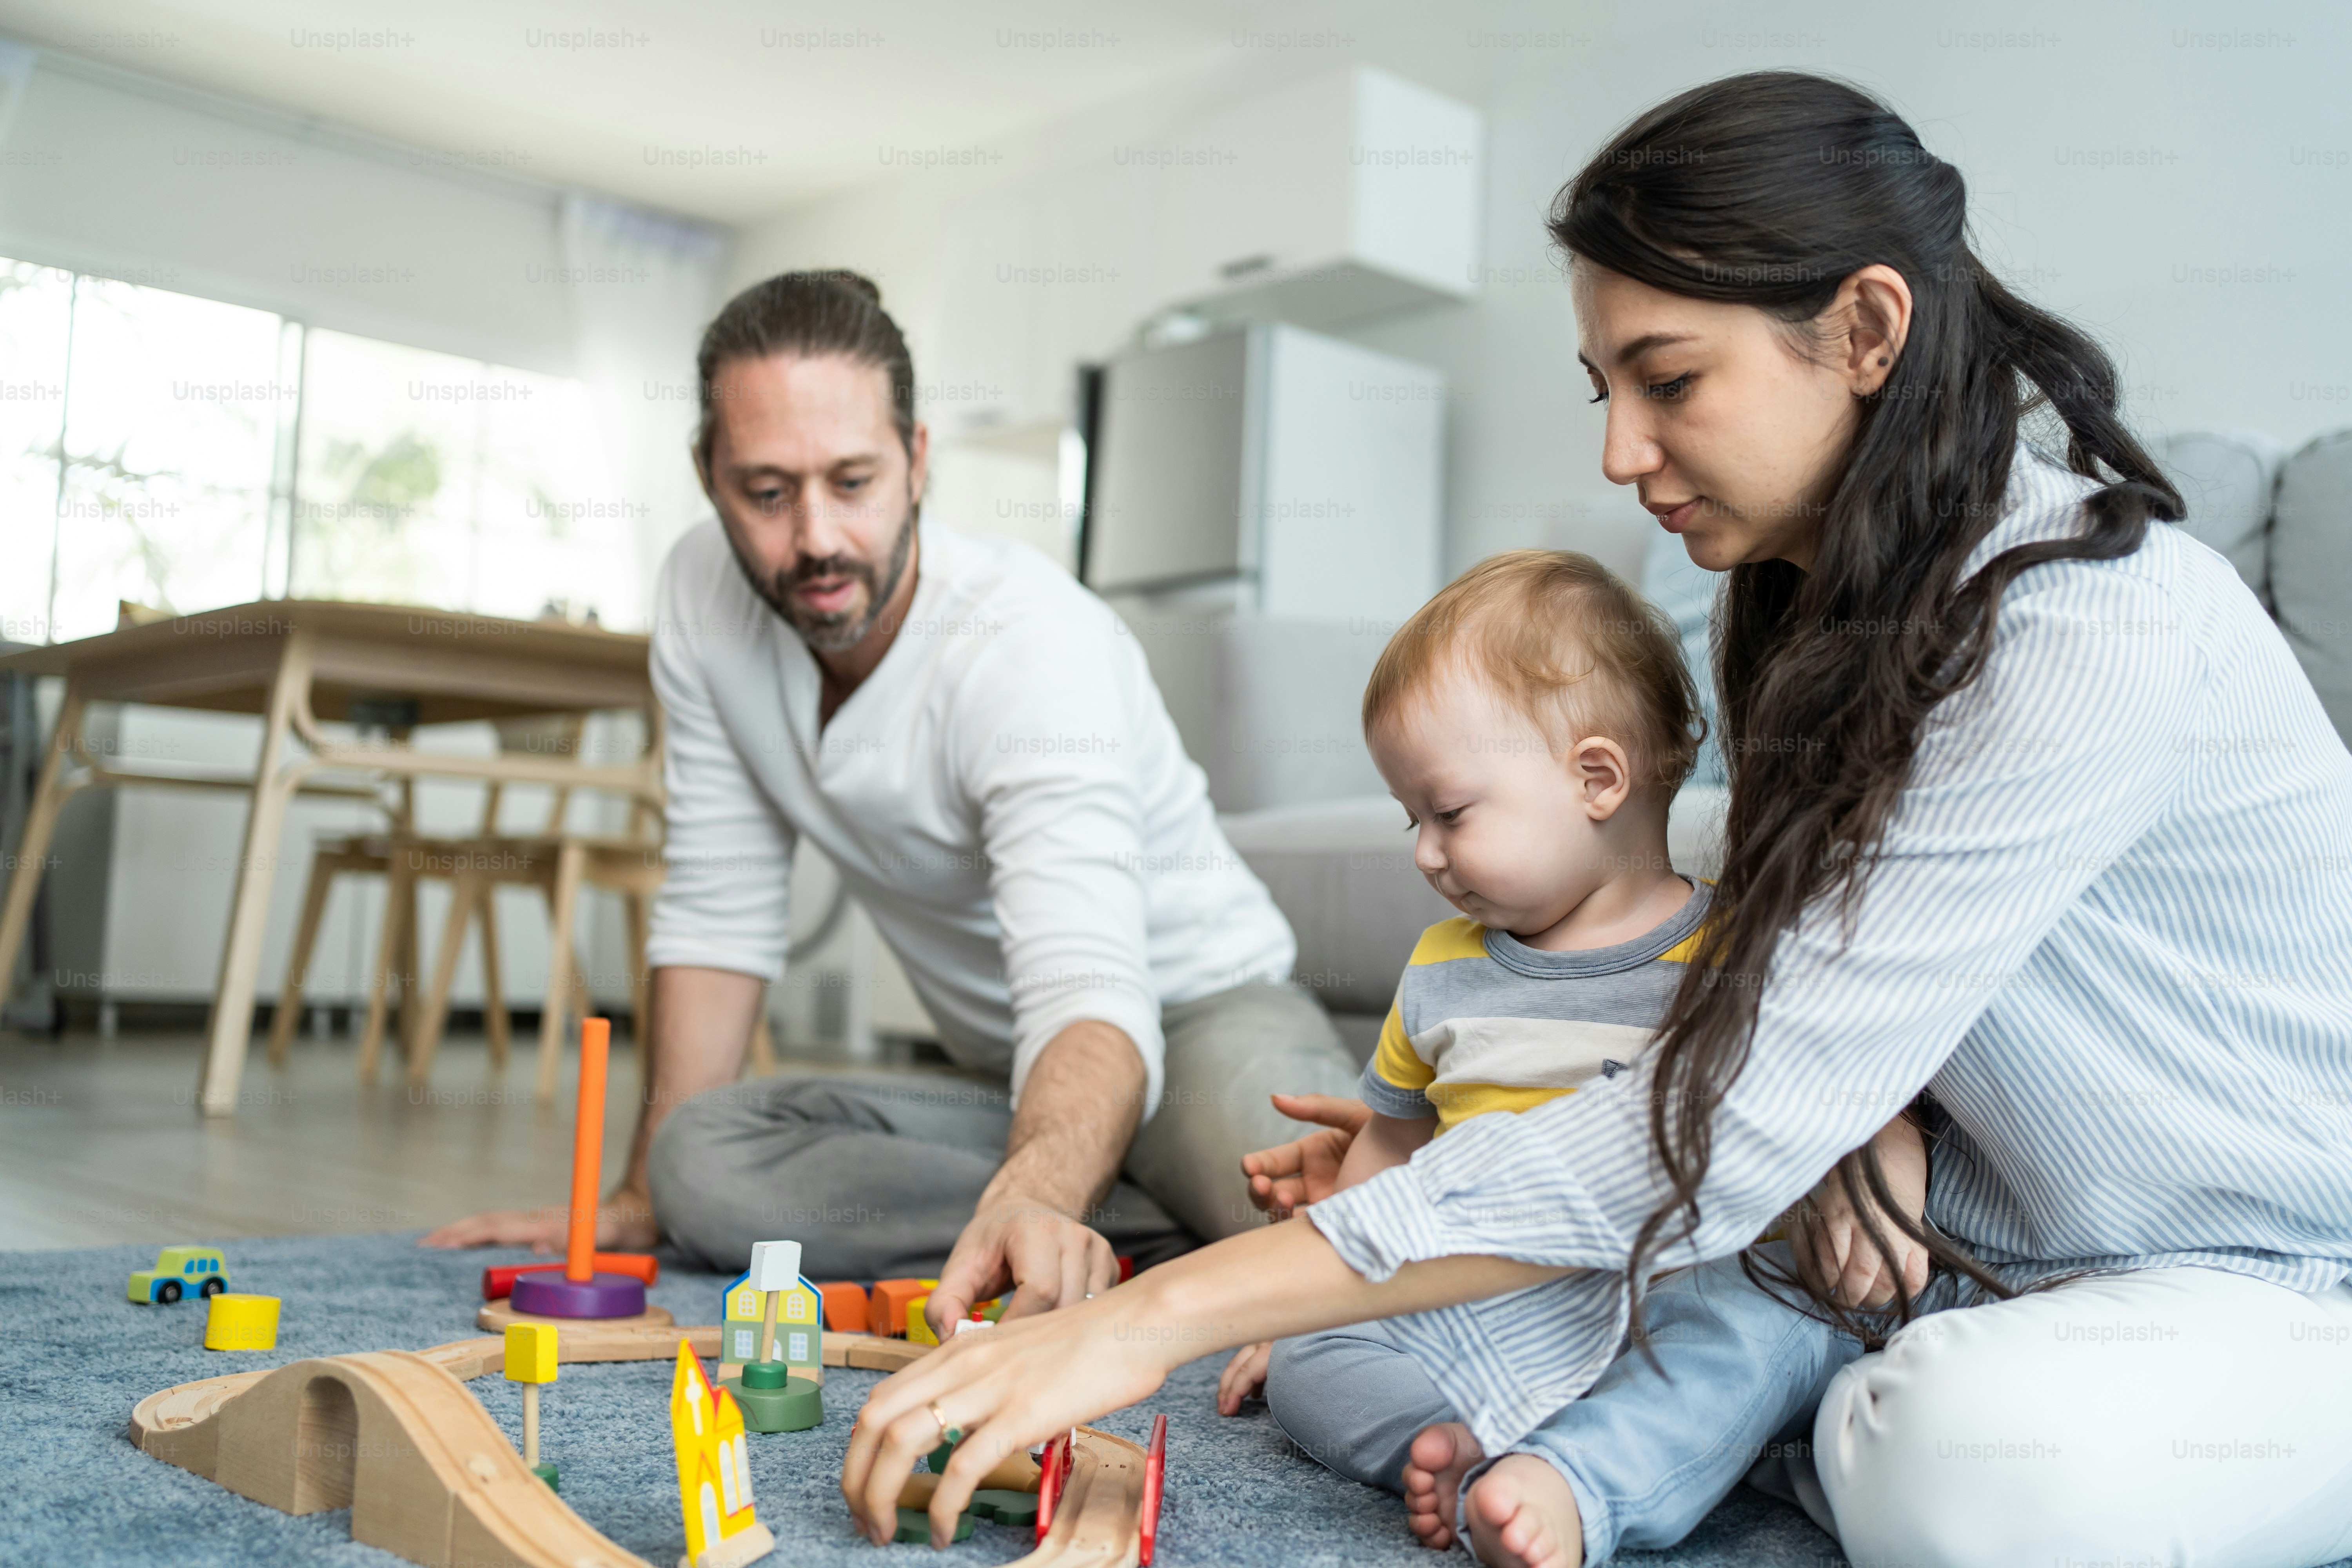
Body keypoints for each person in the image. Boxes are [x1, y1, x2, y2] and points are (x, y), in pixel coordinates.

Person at [839, 71, 2352, 1568]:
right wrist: (1842, 1131)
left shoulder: (2084, 625)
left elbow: (1732, 1109)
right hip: (1991, 1252)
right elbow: (1816, 978)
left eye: (1669, 380)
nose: (1620, 455)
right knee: (1758, 1361)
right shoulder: (1811, 607)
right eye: (1605, 390)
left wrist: (1145, 1320)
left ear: (1868, 332)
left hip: (2268, 1269)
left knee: (1959, 1476)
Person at [424, 271, 1359, 1336]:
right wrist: (640, 1198)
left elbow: (1089, 984)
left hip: (1195, 1017)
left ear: (917, 459)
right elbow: (719, 906)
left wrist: (1038, 1189)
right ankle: (1136, 1230)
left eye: (854, 481)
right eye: (767, 493)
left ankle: (1097, 1218)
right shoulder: (699, 596)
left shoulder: (1027, 644)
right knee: (701, 1164)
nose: (817, 538)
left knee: (1345, 1246)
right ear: (708, 475)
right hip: (1018, 1082)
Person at [1210, 549, 1927, 1495]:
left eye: (1450, 812)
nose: (1425, 852)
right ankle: (1526, 1451)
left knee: (1777, 1324)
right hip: (1492, 1304)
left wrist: (1885, 1167)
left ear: (1597, 779)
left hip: (1674, 1302)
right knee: (1311, 1365)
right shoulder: (1442, 969)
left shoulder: (1737, 950)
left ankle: (1581, 1467)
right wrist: (1295, 1301)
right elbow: (1386, 1151)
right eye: (1409, 819)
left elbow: (1852, 1082)